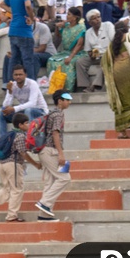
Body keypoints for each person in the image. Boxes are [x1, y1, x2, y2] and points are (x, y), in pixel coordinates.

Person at [0, 112, 39, 223]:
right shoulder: (20, 136)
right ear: (20, 125)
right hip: (13, 165)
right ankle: (12, 216)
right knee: (17, 189)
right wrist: (36, 164)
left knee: (8, 189)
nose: (28, 125)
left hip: (2, 164)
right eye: (26, 123)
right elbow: (23, 153)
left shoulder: (9, 134)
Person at [33, 90, 74, 221]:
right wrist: (61, 153)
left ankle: (43, 215)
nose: (69, 102)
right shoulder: (58, 115)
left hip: (45, 151)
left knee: (50, 182)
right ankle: (45, 203)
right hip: (50, 151)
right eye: (67, 99)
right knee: (65, 178)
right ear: (60, 101)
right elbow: (55, 133)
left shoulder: (52, 113)